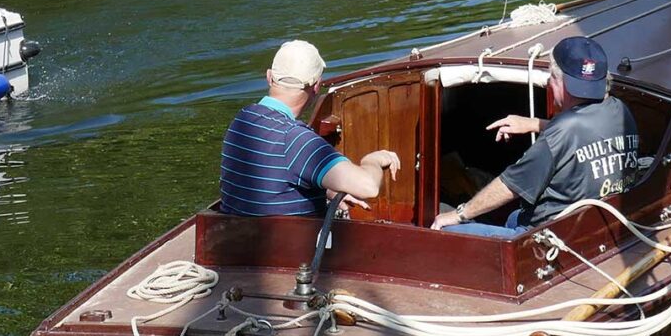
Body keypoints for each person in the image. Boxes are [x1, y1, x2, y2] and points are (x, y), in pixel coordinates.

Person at [431, 35, 641, 232]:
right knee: (513, 216)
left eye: (553, 78)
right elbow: (582, 133)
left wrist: (459, 214)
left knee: (448, 228)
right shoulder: (620, 111)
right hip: (597, 222)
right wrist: (534, 124)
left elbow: (510, 185)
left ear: (560, 83)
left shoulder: (561, 132)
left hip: (548, 236)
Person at [218, 40, 401, 218]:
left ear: (269, 77)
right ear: (316, 86)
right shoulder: (296, 139)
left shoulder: (243, 120)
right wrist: (373, 161)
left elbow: (273, 179)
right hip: (290, 247)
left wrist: (327, 189)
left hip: (238, 241)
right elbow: (368, 187)